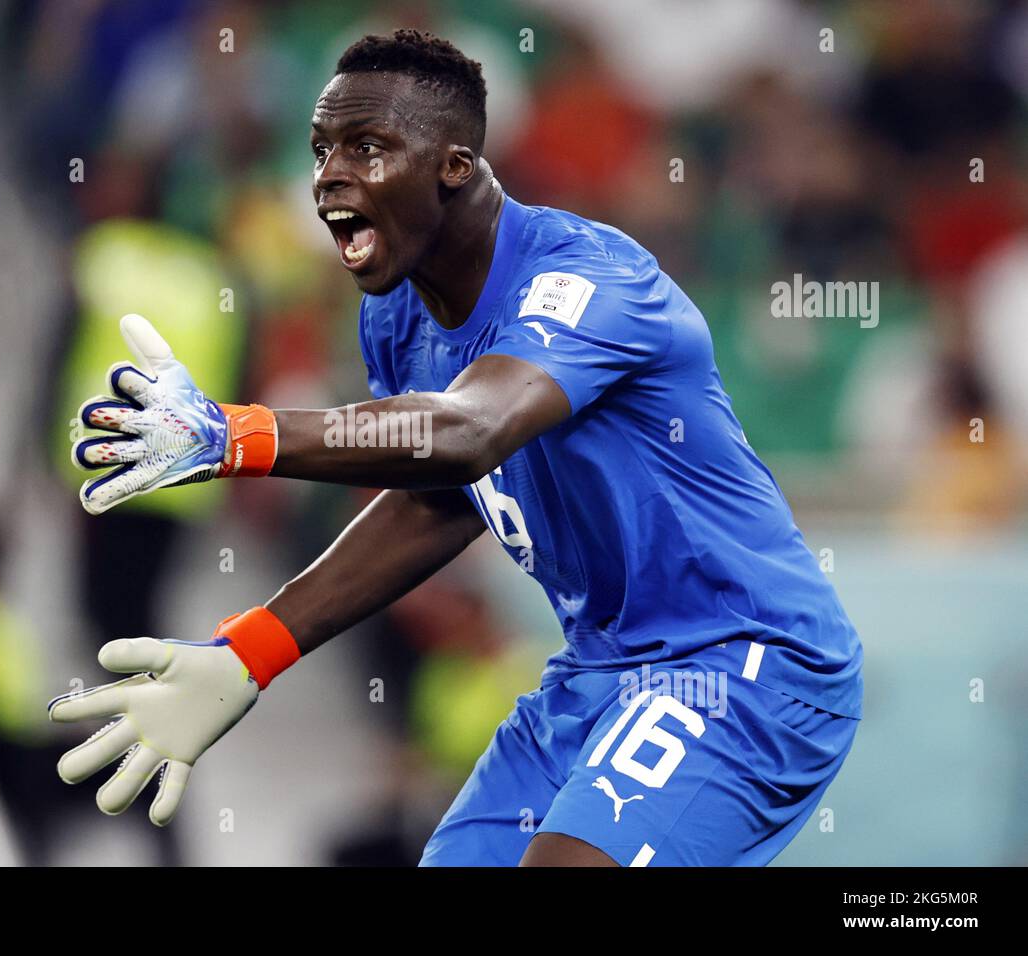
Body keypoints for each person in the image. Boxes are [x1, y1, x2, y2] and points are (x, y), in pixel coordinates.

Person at [48, 30, 863, 867]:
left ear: (455, 165)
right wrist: (253, 652)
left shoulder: (590, 280)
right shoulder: (397, 316)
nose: (330, 173)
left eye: (367, 147)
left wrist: (237, 436)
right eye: (322, 148)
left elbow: (470, 433)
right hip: (598, 672)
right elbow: (438, 494)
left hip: (744, 663)